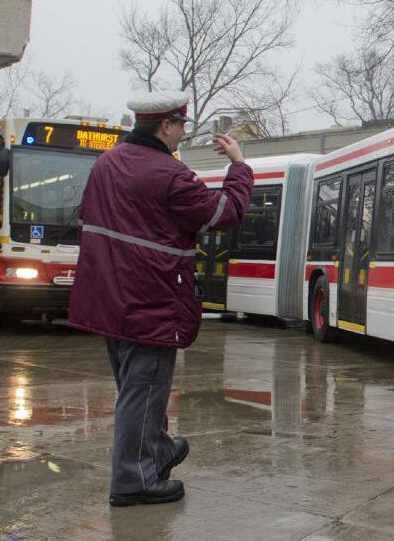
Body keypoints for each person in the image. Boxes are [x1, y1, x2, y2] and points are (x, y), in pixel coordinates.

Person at [68, 91, 254, 507]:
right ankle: (134, 481)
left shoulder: (107, 163)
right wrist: (238, 167)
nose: (183, 134)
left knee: (137, 390)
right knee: (143, 392)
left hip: (109, 300)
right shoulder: (169, 174)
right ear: (166, 125)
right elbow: (222, 213)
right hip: (149, 301)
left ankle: (159, 451)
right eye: (182, 126)